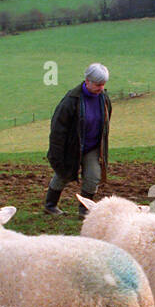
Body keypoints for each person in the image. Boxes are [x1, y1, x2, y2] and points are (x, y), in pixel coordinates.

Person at [45, 62, 112, 217]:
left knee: (93, 177)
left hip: (93, 147)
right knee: (63, 175)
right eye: (97, 84)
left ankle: (84, 210)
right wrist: (56, 155)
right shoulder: (71, 101)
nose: (101, 88)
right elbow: (57, 130)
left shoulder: (104, 99)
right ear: (87, 81)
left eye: (103, 84)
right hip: (72, 147)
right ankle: (50, 205)